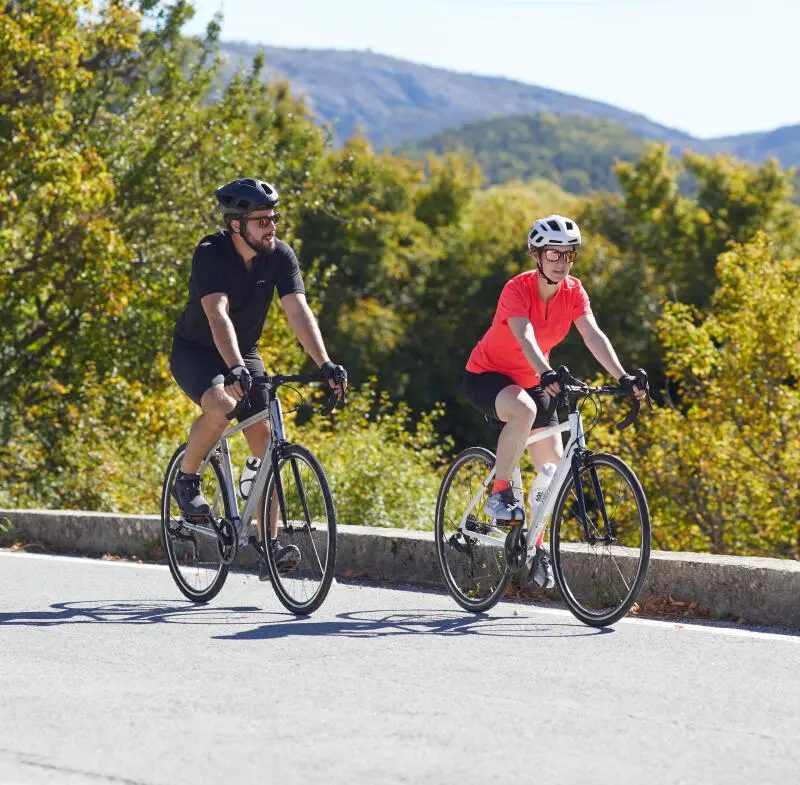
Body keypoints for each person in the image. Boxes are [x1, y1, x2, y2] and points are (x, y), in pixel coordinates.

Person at [169, 177, 347, 579]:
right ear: (236, 225)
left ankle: (267, 545)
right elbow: (218, 315)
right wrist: (233, 368)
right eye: (262, 220)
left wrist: (325, 363)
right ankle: (188, 479)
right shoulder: (210, 253)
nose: (272, 226)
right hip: (197, 350)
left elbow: (299, 312)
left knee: (267, 440)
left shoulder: (280, 255)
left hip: (243, 354)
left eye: (274, 218)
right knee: (221, 405)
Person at [463, 214, 645, 589]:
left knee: (552, 472)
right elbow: (525, 335)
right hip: (489, 375)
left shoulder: (574, 291)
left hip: (535, 379)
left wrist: (622, 376)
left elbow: (593, 335)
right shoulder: (517, 289)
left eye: (568, 255)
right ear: (536, 254)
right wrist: (545, 372)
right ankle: (499, 493)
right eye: (553, 254)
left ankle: (535, 547)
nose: (561, 262)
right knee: (524, 410)